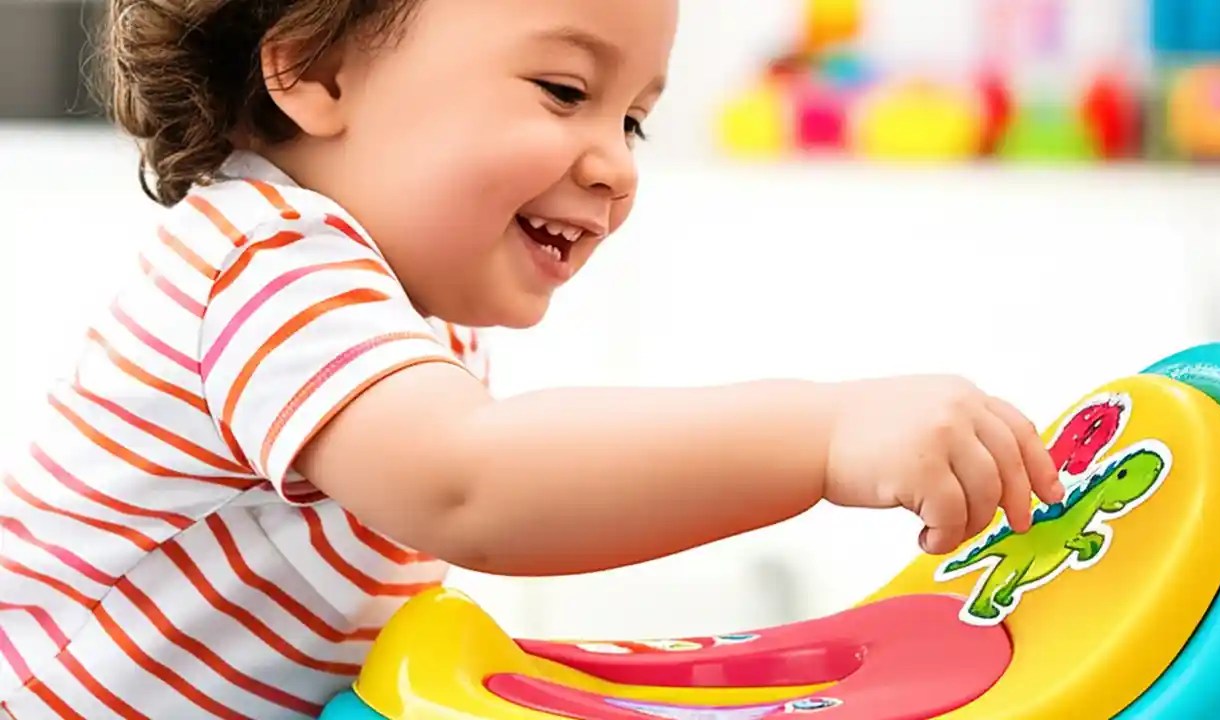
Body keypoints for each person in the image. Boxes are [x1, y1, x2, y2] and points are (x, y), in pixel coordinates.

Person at [0, 0, 1064, 717]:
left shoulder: (395, 302)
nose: (612, 167)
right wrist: (824, 436)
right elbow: (471, 484)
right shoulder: (269, 262)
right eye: (564, 91)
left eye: (635, 121)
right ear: (313, 68)